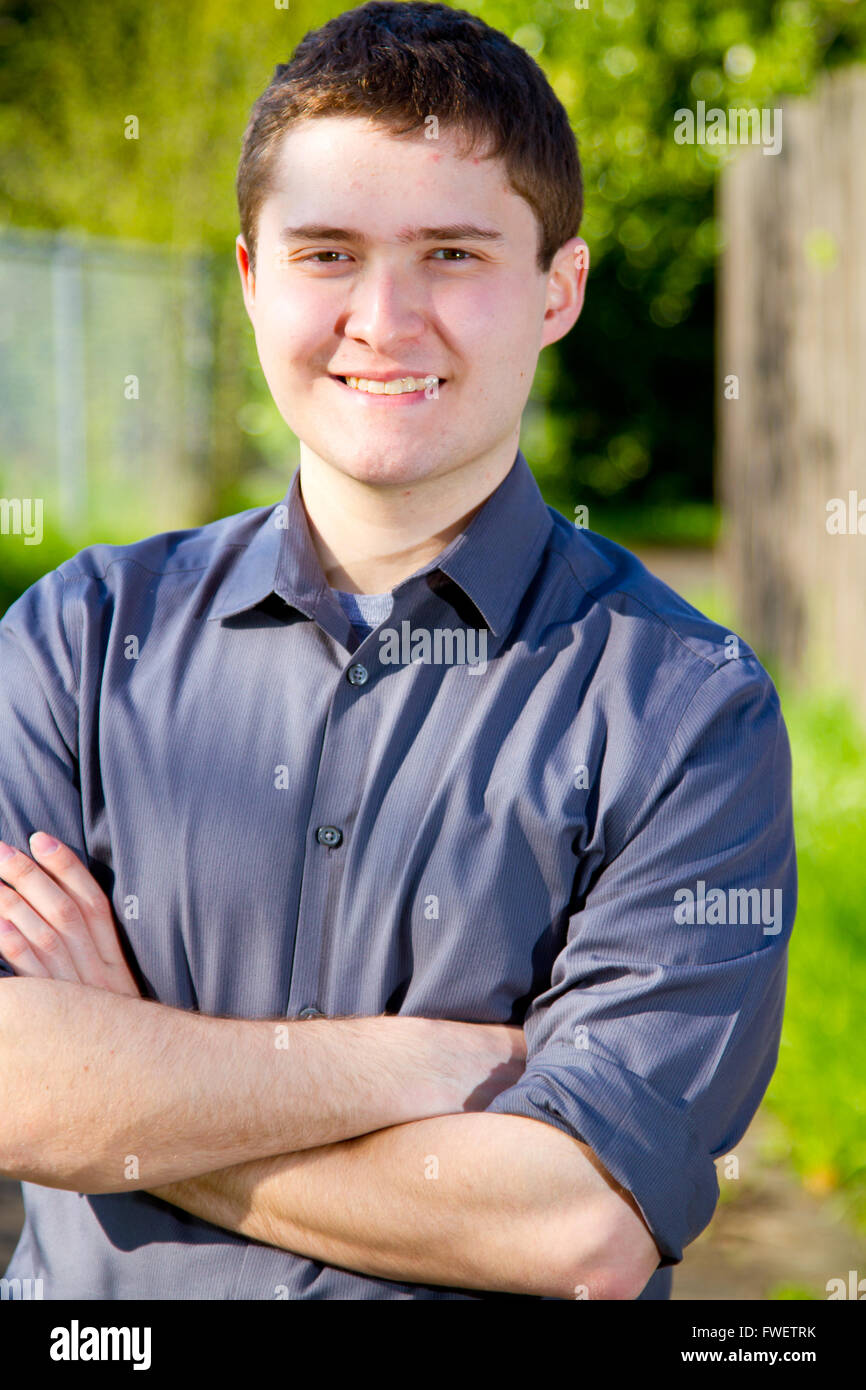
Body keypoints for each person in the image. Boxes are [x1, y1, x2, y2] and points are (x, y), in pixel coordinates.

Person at [0, 1, 795, 1301]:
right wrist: (397, 1066)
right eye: (326, 252)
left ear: (557, 289)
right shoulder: (76, 644)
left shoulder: (686, 709)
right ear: (253, 278)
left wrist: (122, 1097)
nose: (383, 316)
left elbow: (576, 1224)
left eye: (449, 253)